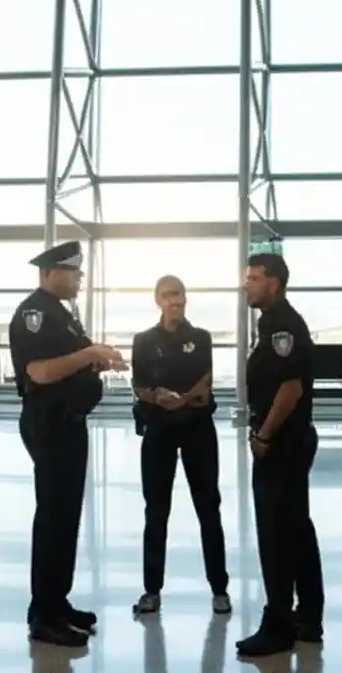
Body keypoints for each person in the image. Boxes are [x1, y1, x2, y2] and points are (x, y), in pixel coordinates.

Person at [9, 240, 127, 647]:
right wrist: (87, 354)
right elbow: (40, 372)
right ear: (49, 273)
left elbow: (74, 357)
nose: (79, 279)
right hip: (50, 424)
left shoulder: (62, 315)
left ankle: (57, 602)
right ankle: (43, 614)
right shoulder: (35, 315)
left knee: (67, 519)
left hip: (69, 424)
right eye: (73, 271)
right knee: (53, 519)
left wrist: (98, 356)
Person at [235, 252, 325, 657]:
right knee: (297, 531)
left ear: (273, 281)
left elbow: (291, 389)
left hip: (282, 445)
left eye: (253, 278)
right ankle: (308, 616)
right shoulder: (272, 323)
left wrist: (265, 437)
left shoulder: (282, 325)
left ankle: (279, 625)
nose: (246, 285)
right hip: (292, 442)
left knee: (276, 536)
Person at [130, 274, 231, 617]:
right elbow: (139, 383)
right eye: (169, 295)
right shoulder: (143, 341)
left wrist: (182, 399)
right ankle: (151, 590)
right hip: (159, 430)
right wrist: (156, 396)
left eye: (180, 295)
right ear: (158, 300)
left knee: (208, 507)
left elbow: (206, 379)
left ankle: (219, 588)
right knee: (155, 511)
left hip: (197, 430)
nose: (176, 300)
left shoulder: (200, 338)